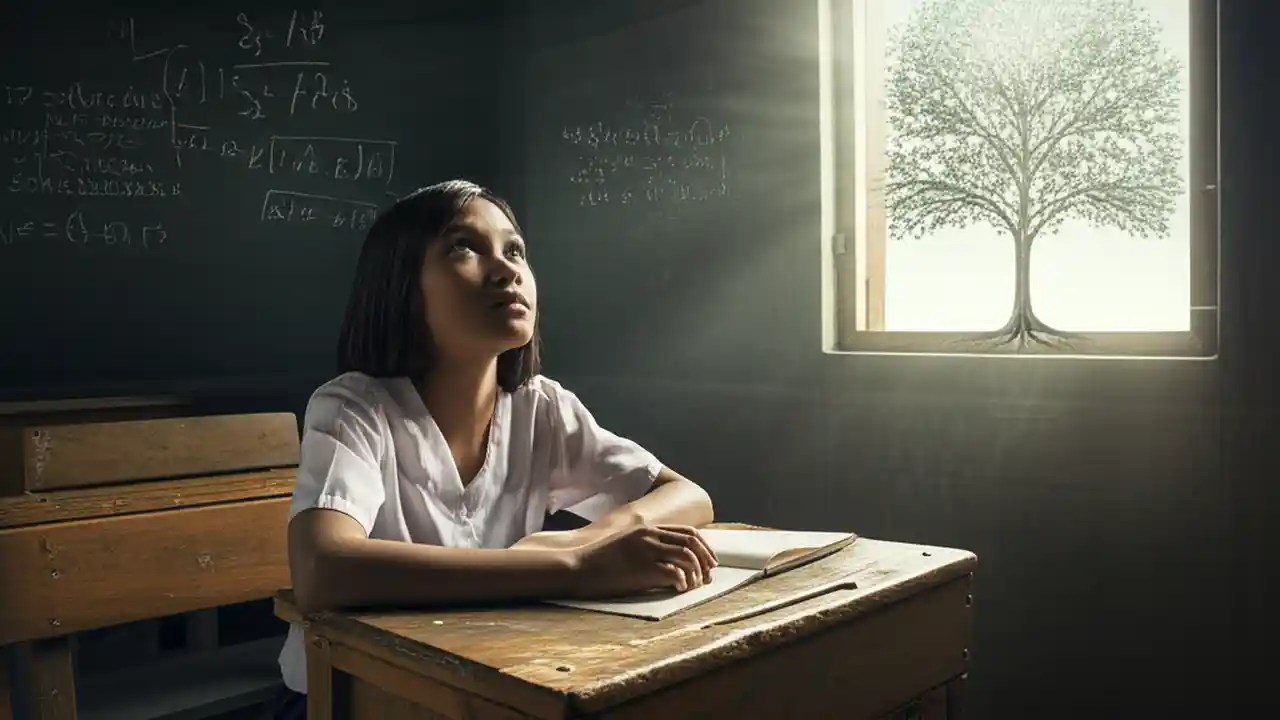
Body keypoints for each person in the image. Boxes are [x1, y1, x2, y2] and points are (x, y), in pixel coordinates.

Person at [271, 179, 716, 718]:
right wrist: (576, 567)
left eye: (515, 251)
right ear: (403, 288)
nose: (507, 270)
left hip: (482, 683)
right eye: (464, 247)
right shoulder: (354, 408)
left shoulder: (540, 408)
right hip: (352, 693)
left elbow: (686, 495)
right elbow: (324, 571)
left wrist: (595, 540)